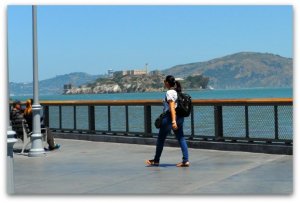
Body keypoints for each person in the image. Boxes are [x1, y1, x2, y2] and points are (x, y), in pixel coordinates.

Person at [146, 75, 190, 167]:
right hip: (180, 118)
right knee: (181, 138)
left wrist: (173, 121)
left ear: (167, 83)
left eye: (164, 81)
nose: (164, 83)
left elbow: (172, 107)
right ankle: (185, 160)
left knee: (161, 140)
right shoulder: (176, 92)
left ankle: (156, 160)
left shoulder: (170, 92)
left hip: (170, 118)